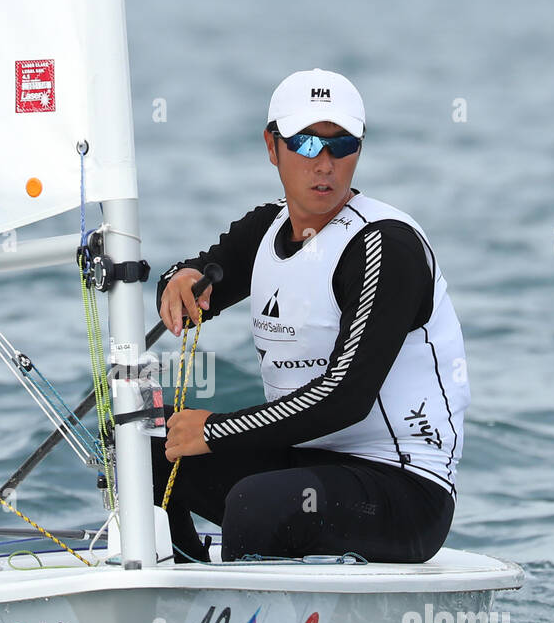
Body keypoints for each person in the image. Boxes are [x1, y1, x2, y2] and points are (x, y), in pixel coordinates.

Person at [152, 68, 469, 565]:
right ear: (272, 146)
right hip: (307, 462)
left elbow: (346, 398)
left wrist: (214, 430)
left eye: (341, 146)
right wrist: (179, 280)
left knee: (255, 504)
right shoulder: (266, 229)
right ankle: (173, 597)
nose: (325, 165)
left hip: (403, 488)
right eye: (305, 143)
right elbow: (197, 283)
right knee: (147, 454)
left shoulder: (385, 246)